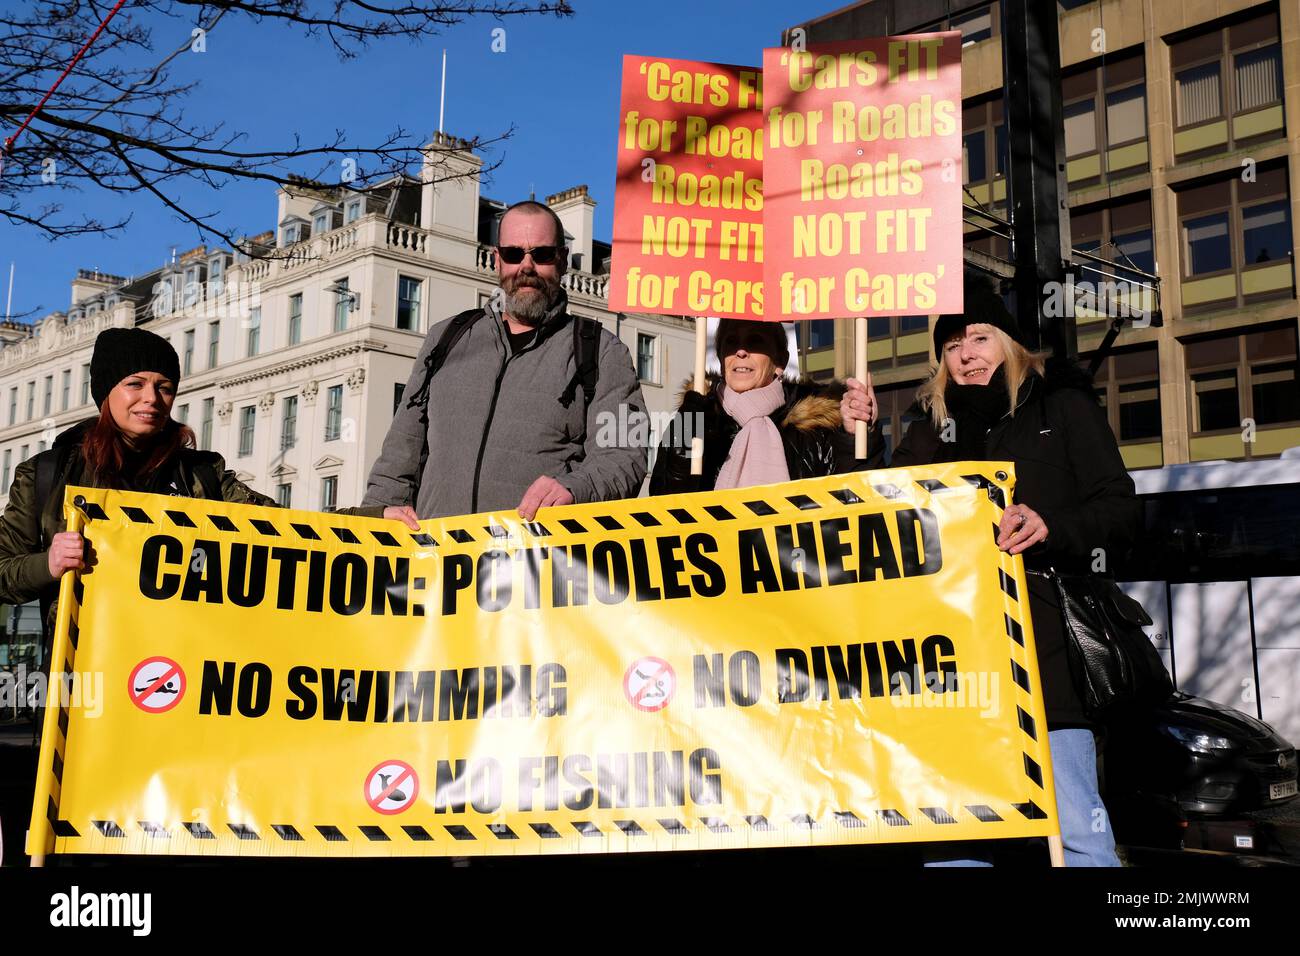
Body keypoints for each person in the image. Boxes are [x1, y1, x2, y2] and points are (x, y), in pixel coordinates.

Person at [841, 272, 1139, 867]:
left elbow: (1120, 507)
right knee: (959, 837)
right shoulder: (930, 429)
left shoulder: (1063, 405)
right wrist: (862, 436)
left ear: (1008, 342)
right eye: (952, 347)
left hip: (1045, 651)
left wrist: (1052, 525)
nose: (966, 355)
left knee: (1076, 830)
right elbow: (877, 513)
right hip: (951, 666)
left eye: (978, 338)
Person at [357, 200, 648, 527]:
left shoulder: (603, 351)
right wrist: (376, 516)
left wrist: (574, 487)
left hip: (539, 566)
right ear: (497, 261)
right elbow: (400, 453)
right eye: (513, 254)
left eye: (541, 255)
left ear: (563, 261)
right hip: (438, 565)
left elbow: (626, 456)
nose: (526, 267)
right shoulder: (445, 338)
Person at [0, 327, 274, 642]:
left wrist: (344, 521)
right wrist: (48, 563)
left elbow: (282, 529)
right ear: (106, 392)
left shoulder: (204, 475)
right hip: (84, 674)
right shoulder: (46, 475)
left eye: (165, 387)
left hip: (182, 668)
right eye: (135, 384)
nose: (152, 399)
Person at [649, 319, 857, 495]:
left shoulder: (816, 429)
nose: (740, 351)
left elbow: (856, 505)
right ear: (722, 360)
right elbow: (662, 503)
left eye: (755, 341)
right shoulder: (697, 418)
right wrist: (685, 434)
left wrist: (855, 438)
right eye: (731, 342)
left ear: (780, 361)